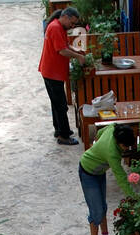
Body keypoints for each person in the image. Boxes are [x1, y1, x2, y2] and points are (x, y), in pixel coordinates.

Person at [79, 123, 137, 235]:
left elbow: (99, 133)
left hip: (99, 172)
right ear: (119, 143)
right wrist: (133, 198)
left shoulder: (113, 127)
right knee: (96, 211)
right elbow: (121, 178)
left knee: (102, 207)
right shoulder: (112, 153)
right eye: (126, 146)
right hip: (87, 173)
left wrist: (98, 147)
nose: (126, 149)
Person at [39, 6, 87, 146]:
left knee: (56, 104)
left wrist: (78, 52)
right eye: (71, 23)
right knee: (61, 105)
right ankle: (64, 136)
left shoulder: (59, 27)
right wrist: (78, 56)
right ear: (65, 17)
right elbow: (61, 51)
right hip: (52, 73)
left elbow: (65, 46)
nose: (72, 26)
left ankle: (59, 129)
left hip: (52, 72)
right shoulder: (55, 28)